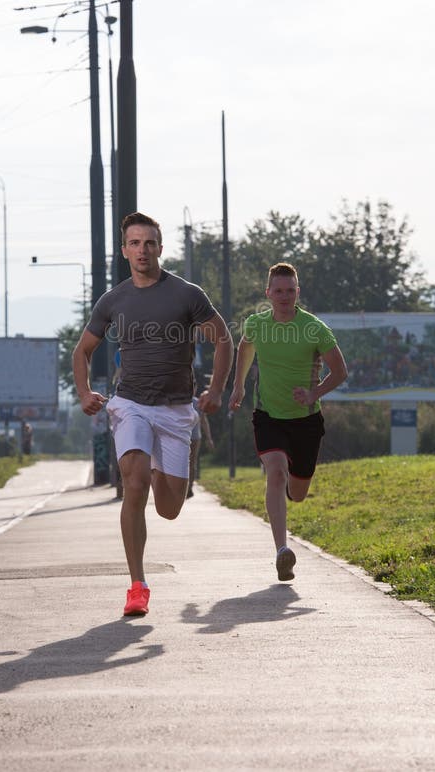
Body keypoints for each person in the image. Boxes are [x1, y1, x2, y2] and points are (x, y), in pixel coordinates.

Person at [73, 212, 233, 616]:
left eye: (149, 243)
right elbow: (82, 351)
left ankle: (172, 463)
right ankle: (137, 585)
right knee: (135, 482)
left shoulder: (186, 294)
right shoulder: (113, 300)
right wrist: (84, 392)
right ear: (124, 250)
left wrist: (215, 389)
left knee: (169, 509)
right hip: (130, 404)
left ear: (160, 248)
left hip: (177, 410)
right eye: (134, 243)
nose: (142, 250)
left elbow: (223, 339)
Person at [228, 262, 347, 582]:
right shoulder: (256, 324)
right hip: (268, 416)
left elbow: (340, 372)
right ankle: (283, 550)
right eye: (278, 290)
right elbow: (245, 346)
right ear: (268, 293)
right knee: (276, 472)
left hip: (306, 421)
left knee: (298, 490)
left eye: (290, 290)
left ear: (298, 292)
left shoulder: (314, 328)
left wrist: (313, 393)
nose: (284, 296)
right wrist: (238, 385)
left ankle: (293, 498)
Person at [187, 392, 214, 498]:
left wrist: (209, 438)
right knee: (187, 463)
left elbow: (203, 421)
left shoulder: (197, 402)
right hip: (187, 436)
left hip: (194, 437)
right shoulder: (182, 401)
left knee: (191, 462)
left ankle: (189, 488)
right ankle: (185, 487)